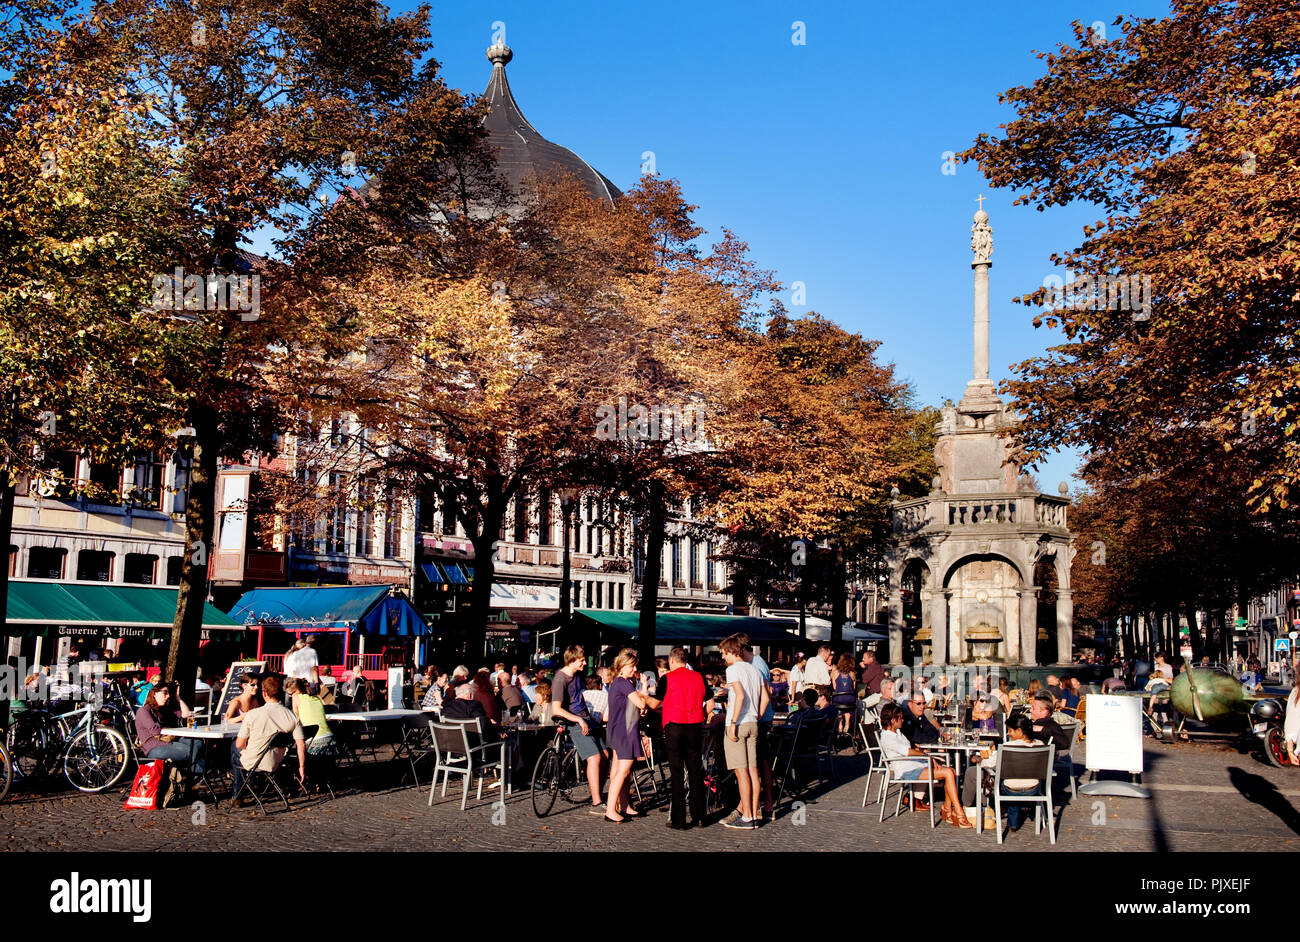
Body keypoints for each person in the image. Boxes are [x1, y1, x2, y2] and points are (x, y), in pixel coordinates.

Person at [879, 701, 972, 827]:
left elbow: (912, 749)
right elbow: (908, 751)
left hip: (915, 766)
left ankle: (947, 809)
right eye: (900, 718)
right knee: (948, 772)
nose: (902, 720)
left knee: (951, 771)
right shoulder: (887, 737)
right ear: (892, 720)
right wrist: (928, 756)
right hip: (906, 771)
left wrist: (927, 757)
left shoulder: (898, 733)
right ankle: (958, 812)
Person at [232, 676, 307, 807]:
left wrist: (247, 745)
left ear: (264, 693)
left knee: (234, 749)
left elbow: (239, 744)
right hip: (277, 761)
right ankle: (258, 784)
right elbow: (301, 745)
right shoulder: (292, 716)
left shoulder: (253, 714)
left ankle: (238, 794)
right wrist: (301, 768)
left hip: (254, 762)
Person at [550, 645, 606, 814]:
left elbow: (579, 697)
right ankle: (597, 803)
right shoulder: (560, 679)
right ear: (573, 660)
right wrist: (579, 720)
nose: (584, 663)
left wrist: (589, 716)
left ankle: (598, 793)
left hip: (586, 718)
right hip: (573, 721)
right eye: (581, 660)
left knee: (605, 756)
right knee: (594, 758)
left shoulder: (578, 675)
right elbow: (556, 709)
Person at [720, 634, 768, 830]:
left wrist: (732, 722)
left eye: (723, 653)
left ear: (732, 652)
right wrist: (756, 716)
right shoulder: (755, 670)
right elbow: (765, 698)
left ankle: (747, 816)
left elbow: (739, 696)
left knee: (741, 773)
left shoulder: (733, 670)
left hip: (738, 723)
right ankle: (754, 813)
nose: (722, 657)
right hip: (752, 723)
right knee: (753, 771)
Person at [659, 646, 707, 829]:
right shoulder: (698, 677)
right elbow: (709, 701)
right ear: (685, 661)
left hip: (674, 725)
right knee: (695, 771)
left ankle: (679, 819)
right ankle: (699, 816)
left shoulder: (667, 678)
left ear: (672, 661)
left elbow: (657, 701)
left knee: (677, 773)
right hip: (694, 724)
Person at [603, 648, 651, 823]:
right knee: (623, 770)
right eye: (632, 666)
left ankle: (623, 805)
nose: (634, 670)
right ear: (622, 666)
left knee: (620, 769)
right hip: (625, 731)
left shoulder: (618, 682)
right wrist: (644, 688)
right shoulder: (623, 682)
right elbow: (640, 702)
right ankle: (610, 810)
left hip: (620, 729)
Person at [135, 683, 205, 772]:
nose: (167, 696)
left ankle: (195, 776)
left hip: (170, 740)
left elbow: (186, 714)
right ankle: (195, 776)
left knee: (197, 743)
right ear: (155, 693)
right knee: (191, 750)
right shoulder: (144, 711)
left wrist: (178, 697)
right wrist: (171, 730)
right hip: (154, 747)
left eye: (168, 693)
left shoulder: (163, 709)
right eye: (165, 693)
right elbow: (155, 731)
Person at [286, 677, 335, 755]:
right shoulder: (317, 697)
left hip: (314, 740)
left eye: (291, 693)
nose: (290, 696)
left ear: (297, 690)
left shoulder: (296, 697)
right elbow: (331, 701)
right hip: (330, 739)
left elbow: (295, 718)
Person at [831, 654, 857, 734]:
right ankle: (847, 722)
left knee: (838, 707)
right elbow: (854, 688)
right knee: (848, 708)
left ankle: (840, 723)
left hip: (838, 698)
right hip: (850, 698)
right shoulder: (852, 673)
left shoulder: (834, 672)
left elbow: (835, 687)